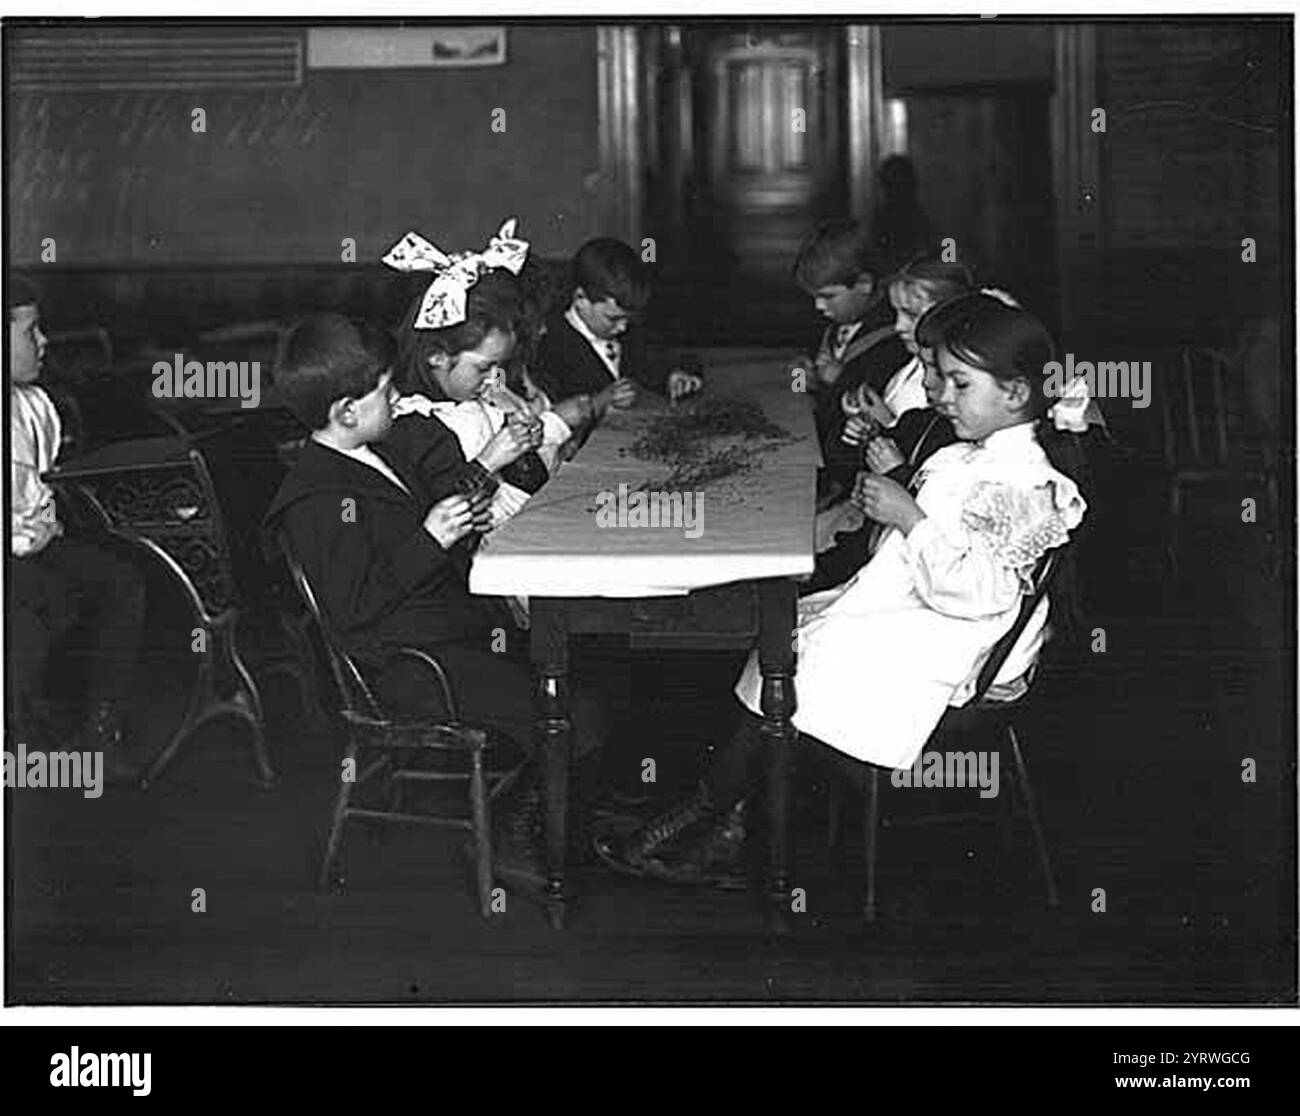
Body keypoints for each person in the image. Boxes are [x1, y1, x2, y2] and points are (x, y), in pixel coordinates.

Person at [598, 294, 1092, 887]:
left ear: (1014, 394)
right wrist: (900, 497)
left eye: (960, 385)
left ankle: (709, 819)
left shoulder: (1023, 481)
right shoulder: (974, 457)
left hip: (963, 648)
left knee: (796, 659)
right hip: (924, 615)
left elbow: (977, 594)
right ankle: (723, 821)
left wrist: (909, 516)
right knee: (791, 633)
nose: (941, 396)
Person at [263, 314, 602, 883]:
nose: (397, 399)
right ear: (346, 411)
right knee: (573, 713)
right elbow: (353, 610)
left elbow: (423, 521)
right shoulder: (317, 497)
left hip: (441, 635)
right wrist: (430, 538)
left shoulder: (374, 452)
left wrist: (465, 496)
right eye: (385, 393)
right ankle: (513, 836)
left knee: (582, 680)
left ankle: (565, 809)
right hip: (408, 670)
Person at [7, 276, 146, 777]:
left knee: (119, 579)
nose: (43, 343)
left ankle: (100, 729)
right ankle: (26, 741)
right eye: (30, 332)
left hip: (33, 543)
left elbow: (40, 492)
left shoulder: (32, 406)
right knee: (37, 606)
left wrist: (47, 526)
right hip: (13, 555)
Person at [531, 237, 703, 409]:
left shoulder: (631, 334)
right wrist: (599, 402)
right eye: (612, 318)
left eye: (628, 318)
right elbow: (544, 408)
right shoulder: (547, 346)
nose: (622, 327)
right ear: (581, 299)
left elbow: (663, 359)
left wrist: (674, 376)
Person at [787, 219, 912, 452]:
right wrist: (805, 379)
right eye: (815, 296)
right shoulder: (833, 323)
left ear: (864, 284)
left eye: (828, 296)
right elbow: (810, 384)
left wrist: (840, 380)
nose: (818, 306)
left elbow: (875, 405)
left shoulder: (894, 342)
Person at [867, 155, 934, 268]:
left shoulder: (925, 219)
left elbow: (948, 255)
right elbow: (871, 252)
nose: (893, 191)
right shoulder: (881, 218)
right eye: (889, 185)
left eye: (899, 184)